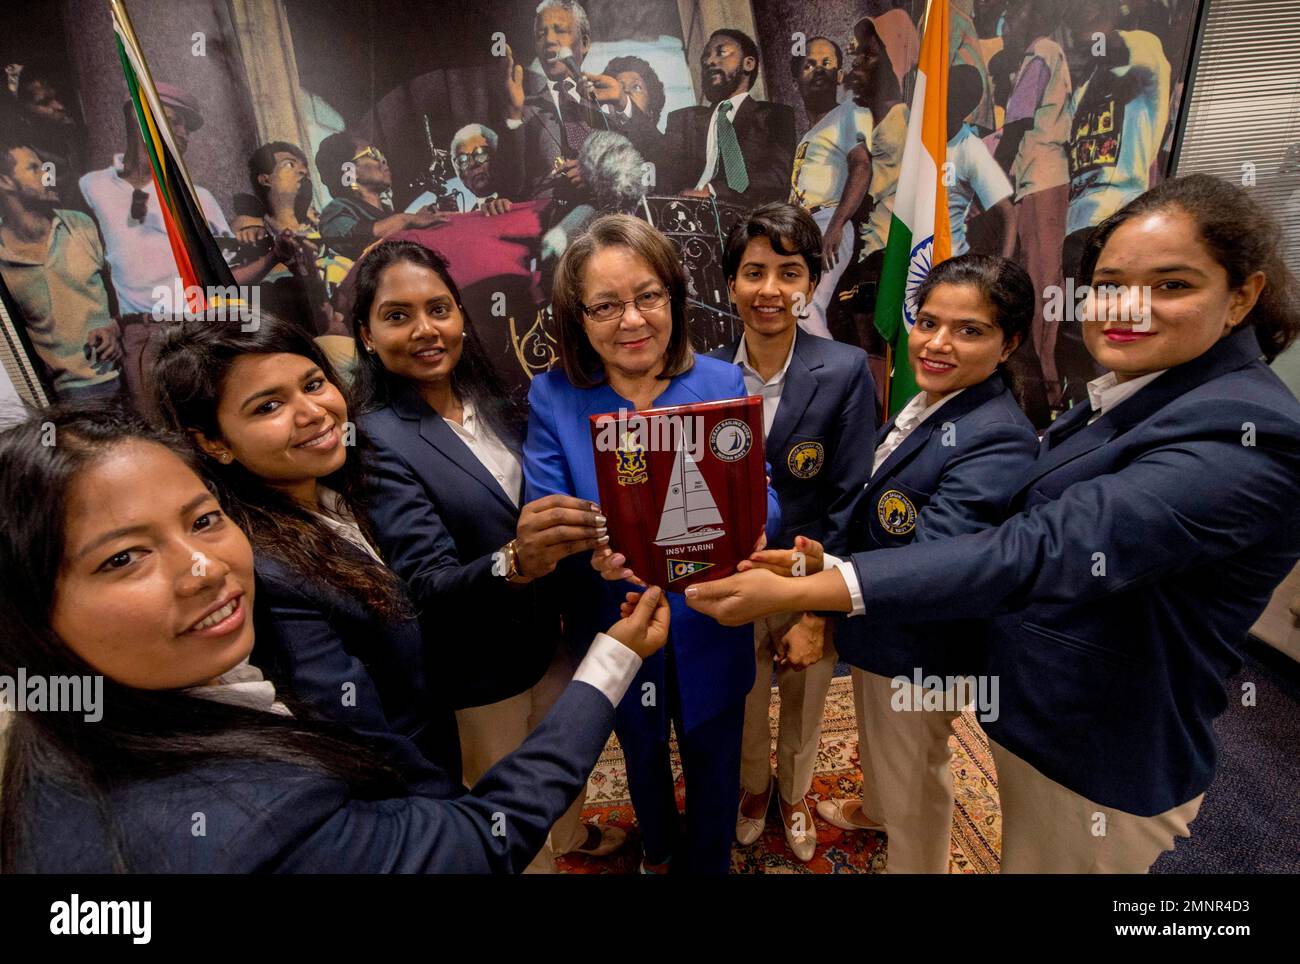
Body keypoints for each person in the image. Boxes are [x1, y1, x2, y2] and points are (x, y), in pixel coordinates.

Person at [686, 174, 1300, 872]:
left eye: (1172, 285)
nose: (1128, 307)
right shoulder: (1129, 395)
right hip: (1029, 703)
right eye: (1109, 283)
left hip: (1097, 742)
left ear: (1243, 296)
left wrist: (816, 591)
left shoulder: (1242, 433)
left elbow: (1035, 548)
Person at [0, 404, 671, 873]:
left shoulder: (77, 719)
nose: (201, 570)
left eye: (203, 521)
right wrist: (607, 658)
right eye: (123, 559)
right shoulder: (255, 824)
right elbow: (476, 843)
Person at [350, 239, 626, 869]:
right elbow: (423, 587)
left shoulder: (493, 400)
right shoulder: (374, 439)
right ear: (366, 335)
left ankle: (571, 840)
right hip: (478, 676)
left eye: (439, 309)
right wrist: (515, 562)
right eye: (397, 315)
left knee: (561, 776)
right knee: (509, 823)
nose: (426, 330)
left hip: (548, 644)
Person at [523, 213, 781, 873]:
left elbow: (765, 490)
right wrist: (588, 545)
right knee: (641, 751)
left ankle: (707, 862)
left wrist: (756, 524)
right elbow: (542, 504)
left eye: (649, 296)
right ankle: (660, 851)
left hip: (712, 616)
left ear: (673, 296)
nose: (632, 320)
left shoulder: (722, 383)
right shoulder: (554, 396)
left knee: (714, 754)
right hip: (616, 621)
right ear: (576, 317)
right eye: (606, 305)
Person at [150, 311, 461, 789]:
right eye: (268, 406)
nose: (313, 412)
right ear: (213, 443)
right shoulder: (264, 571)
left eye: (313, 384)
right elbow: (358, 737)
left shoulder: (338, 492)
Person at [797, 254, 1036, 873]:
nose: (936, 344)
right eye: (927, 322)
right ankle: (877, 808)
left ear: (1009, 344)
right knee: (886, 757)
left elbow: (936, 562)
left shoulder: (996, 436)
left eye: (969, 330)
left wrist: (824, 590)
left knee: (916, 782)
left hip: (920, 650)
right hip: (881, 630)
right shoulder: (935, 404)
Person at [707, 203, 876, 861]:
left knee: (806, 697)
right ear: (730, 284)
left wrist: (816, 607)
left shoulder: (843, 369)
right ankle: (753, 790)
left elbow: (850, 497)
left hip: (809, 570)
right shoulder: (703, 374)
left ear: (810, 282)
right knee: (743, 698)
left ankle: (795, 792)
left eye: (789, 271)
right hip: (734, 576)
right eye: (754, 272)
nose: (770, 290)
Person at [77, 84, 236, 409]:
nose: (183, 134)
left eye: (186, 127)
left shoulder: (199, 198)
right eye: (174, 121)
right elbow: (89, 262)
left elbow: (227, 273)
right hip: (140, 334)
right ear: (138, 117)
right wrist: (107, 322)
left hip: (198, 327)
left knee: (213, 414)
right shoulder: (92, 186)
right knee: (157, 423)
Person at [1060, 0, 1171, 407]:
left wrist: (1101, 22)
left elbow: (1113, 46)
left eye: (1096, 8)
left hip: (1119, 220)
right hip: (1078, 227)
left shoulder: (1145, 48)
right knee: (1072, 338)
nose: (1086, 15)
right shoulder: (1086, 85)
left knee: (1113, 334)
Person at [497, 0, 664, 203]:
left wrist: (623, 103)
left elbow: (655, 162)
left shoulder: (610, 102)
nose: (549, 40)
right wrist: (514, 116)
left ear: (584, 43)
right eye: (541, 34)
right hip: (548, 224)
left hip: (606, 222)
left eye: (560, 30)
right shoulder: (525, 107)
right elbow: (510, 187)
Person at [0, 137, 121, 401]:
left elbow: (121, 294)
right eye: (34, 168)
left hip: (118, 378)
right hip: (59, 399)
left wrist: (114, 327)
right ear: (5, 182)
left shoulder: (80, 225)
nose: (48, 174)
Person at [995, 4, 1073, 412]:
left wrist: (994, 174)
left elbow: (1018, 123)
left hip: (1042, 175)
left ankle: (1048, 392)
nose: (1008, 23)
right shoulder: (1045, 52)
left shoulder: (1041, 51)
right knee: (1039, 281)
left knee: (1043, 286)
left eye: (1015, 13)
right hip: (1037, 177)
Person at [787, 36, 873, 339]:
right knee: (790, 310)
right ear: (798, 79)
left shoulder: (848, 112)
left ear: (839, 76)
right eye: (809, 64)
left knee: (804, 308)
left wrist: (836, 225)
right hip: (803, 227)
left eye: (827, 64)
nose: (818, 69)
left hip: (829, 221)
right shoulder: (810, 133)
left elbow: (861, 166)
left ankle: (836, 383)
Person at [663, 29, 796, 208]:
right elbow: (663, 173)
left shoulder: (775, 116)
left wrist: (713, 191)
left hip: (745, 221)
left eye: (722, 52)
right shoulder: (683, 120)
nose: (710, 61)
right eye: (705, 58)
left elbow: (775, 178)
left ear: (748, 64)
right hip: (684, 221)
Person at [231, 140, 342, 334]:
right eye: (290, 164)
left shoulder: (327, 227)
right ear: (266, 180)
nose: (303, 172)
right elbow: (223, 286)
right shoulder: (251, 233)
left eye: (305, 167)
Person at [316, 132, 449, 260]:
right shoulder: (336, 209)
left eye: (380, 154)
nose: (383, 160)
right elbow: (348, 236)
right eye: (372, 154)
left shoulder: (388, 213)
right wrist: (407, 220)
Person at [405, 124, 513, 216]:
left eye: (481, 154)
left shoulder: (520, 196)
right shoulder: (472, 214)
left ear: (496, 157)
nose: (473, 164)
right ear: (459, 174)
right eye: (462, 161)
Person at [604, 56, 667, 130]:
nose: (626, 91)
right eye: (620, 88)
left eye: (636, 87)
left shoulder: (664, 141)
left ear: (651, 109)